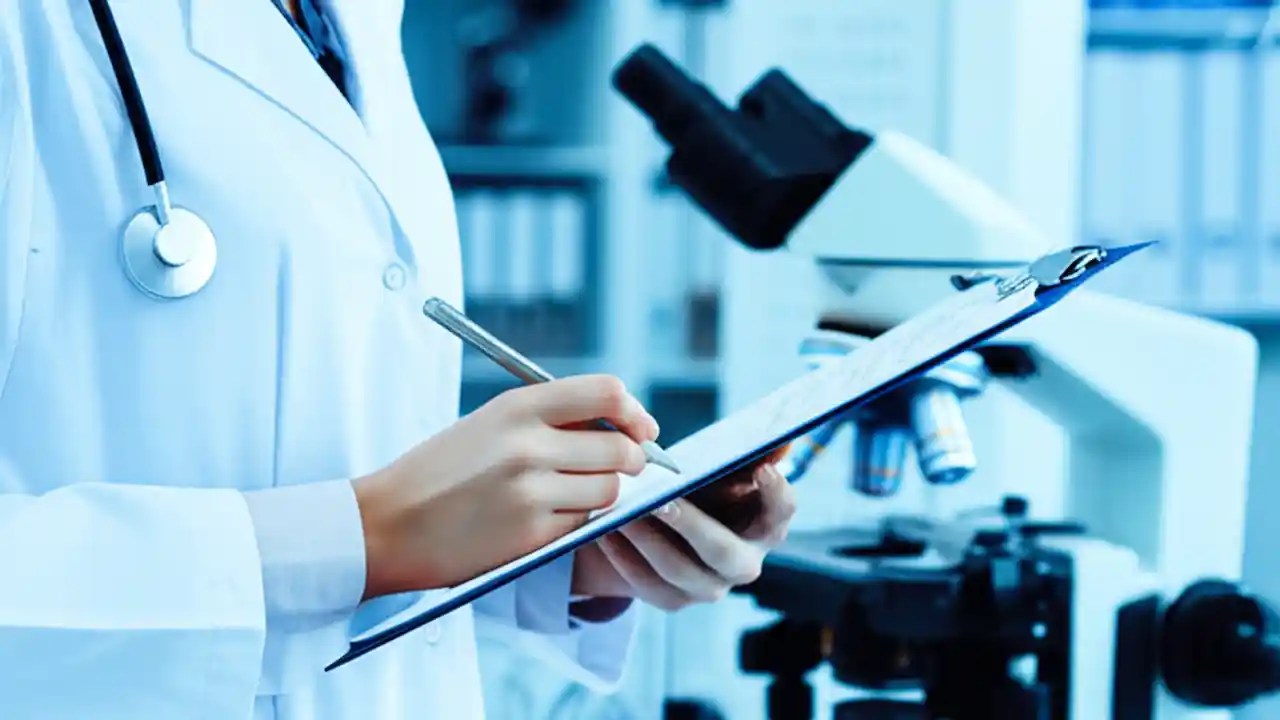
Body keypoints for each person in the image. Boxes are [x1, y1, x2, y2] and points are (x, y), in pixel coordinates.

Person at [0, 1, 796, 719]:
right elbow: (357, 528)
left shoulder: (351, 21)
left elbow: (329, 452)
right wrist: (367, 537)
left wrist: (557, 552)